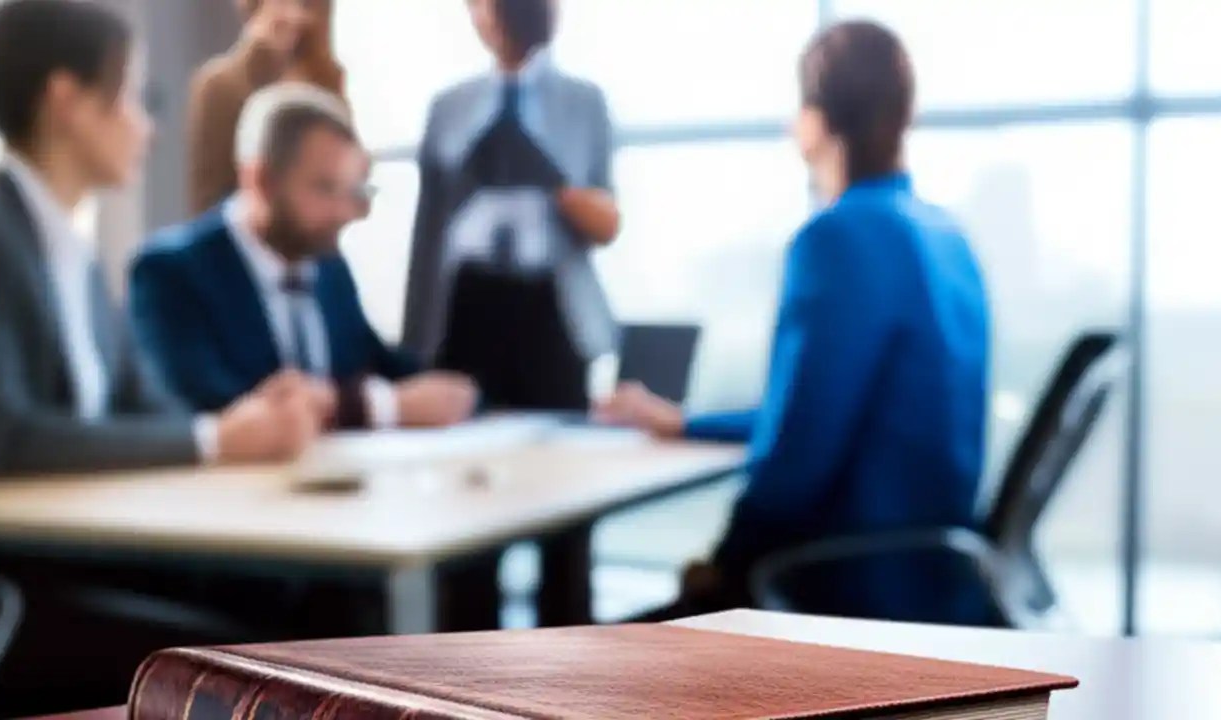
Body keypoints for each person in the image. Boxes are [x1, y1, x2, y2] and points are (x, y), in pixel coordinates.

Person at [597, 21, 991, 621]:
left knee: (599, 656)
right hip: (930, 581)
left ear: (814, 121)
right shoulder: (946, 236)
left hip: (842, 589)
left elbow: (792, 471)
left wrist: (721, 567)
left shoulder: (837, 237)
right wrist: (683, 422)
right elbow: (816, 416)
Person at [0, 0, 329, 478]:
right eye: (131, 98)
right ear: (66, 102)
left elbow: (140, 408)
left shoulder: (73, 252)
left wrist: (243, 419)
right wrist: (213, 439)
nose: (147, 127)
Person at [131, 83, 478, 429]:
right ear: (261, 180)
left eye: (351, 190)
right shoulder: (169, 273)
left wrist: (455, 392)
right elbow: (209, 407)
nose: (346, 212)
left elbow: (379, 362)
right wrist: (378, 407)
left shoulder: (328, 264)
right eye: (325, 188)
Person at [405, 0, 621, 412]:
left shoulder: (583, 101)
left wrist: (549, 179)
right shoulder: (449, 107)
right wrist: (415, 337)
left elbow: (607, 222)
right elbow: (427, 232)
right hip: (466, 303)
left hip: (549, 302)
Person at [187, 0, 346, 215]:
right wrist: (262, 55)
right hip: (247, 236)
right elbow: (208, 202)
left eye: (304, 4)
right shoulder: (219, 85)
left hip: (318, 239)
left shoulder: (325, 80)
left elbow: (344, 177)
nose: (294, 14)